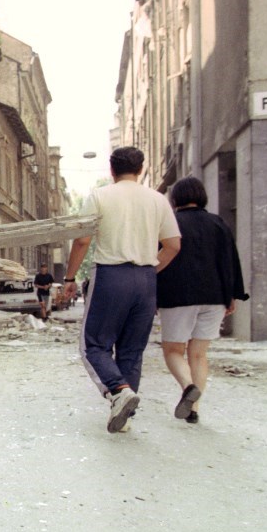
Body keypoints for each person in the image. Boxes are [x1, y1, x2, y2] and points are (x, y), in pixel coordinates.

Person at [61, 147, 181, 433]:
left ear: (111, 170)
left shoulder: (100, 196)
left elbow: (82, 241)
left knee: (94, 345)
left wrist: (69, 278)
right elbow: (173, 245)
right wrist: (150, 270)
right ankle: (124, 414)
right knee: (132, 350)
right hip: (146, 279)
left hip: (111, 276)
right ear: (140, 169)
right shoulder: (157, 200)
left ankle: (117, 390)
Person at [156, 177, 249, 424]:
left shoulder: (170, 223)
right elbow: (231, 261)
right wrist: (232, 295)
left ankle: (188, 387)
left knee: (174, 351)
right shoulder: (218, 223)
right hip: (214, 297)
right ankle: (194, 410)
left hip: (177, 296)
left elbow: (159, 260)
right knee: (198, 354)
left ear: (175, 199)